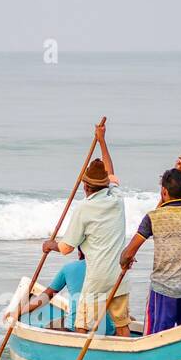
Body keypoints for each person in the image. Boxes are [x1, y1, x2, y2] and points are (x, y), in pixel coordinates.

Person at [41, 119, 131, 337]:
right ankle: (125, 357)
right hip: (119, 274)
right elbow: (111, 171)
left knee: (81, 324)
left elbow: (66, 249)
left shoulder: (84, 208)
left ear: (86, 186)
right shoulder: (117, 197)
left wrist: (49, 245)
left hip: (98, 276)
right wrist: (102, 140)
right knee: (122, 324)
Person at [119, 157, 181, 334]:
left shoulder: (153, 217)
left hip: (163, 290)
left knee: (156, 336)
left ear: (164, 191)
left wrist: (125, 261)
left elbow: (128, 253)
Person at [2, 247, 115, 334]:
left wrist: (18, 311)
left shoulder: (69, 268)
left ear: (80, 253)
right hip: (106, 329)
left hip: (75, 328)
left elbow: (46, 296)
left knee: (50, 326)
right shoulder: (108, 268)